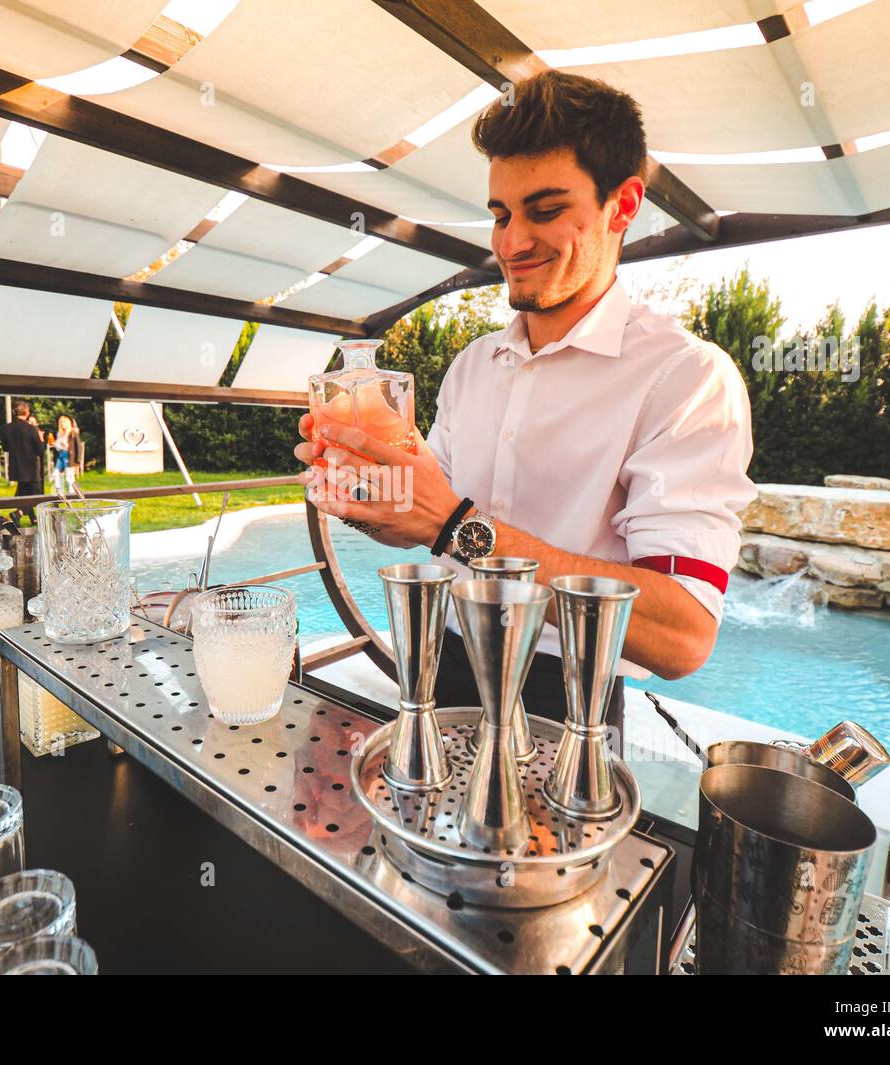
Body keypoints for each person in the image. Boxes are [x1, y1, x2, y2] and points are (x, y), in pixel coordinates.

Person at [296, 71, 757, 748]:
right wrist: (375, 497)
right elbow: (427, 519)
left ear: (622, 205)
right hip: (437, 671)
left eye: (544, 210)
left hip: (568, 699)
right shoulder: (473, 366)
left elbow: (685, 631)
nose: (510, 244)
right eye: (501, 213)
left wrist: (458, 527)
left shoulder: (685, 377)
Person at [2, 401, 45, 502]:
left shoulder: (6, 428)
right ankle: (19, 512)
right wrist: (41, 440)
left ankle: (27, 516)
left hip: (16, 466)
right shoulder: (31, 429)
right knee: (36, 493)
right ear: (27, 413)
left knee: (22, 492)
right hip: (31, 467)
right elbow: (40, 451)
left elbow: (5, 448)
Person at [50, 415, 80, 495]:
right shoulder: (59, 434)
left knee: (69, 476)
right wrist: (55, 444)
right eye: (61, 422)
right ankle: (59, 492)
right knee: (56, 473)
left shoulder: (72, 433)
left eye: (64, 422)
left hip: (68, 456)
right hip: (60, 455)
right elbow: (57, 446)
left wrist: (78, 460)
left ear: (68, 423)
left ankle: (72, 493)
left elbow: (77, 446)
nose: (63, 424)